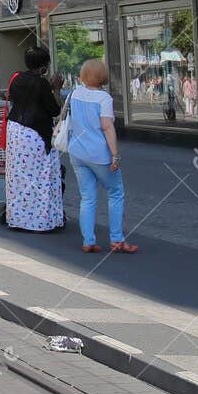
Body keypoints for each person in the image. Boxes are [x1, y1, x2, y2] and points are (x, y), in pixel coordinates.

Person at [65, 57, 136, 253]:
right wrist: (115, 155)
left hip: (77, 152)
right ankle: (116, 239)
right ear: (102, 76)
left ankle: (88, 241)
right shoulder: (104, 99)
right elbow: (107, 127)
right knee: (115, 192)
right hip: (99, 154)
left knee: (87, 197)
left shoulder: (74, 93)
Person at [4, 45, 64, 233]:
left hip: (15, 130)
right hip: (35, 134)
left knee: (19, 176)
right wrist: (56, 89)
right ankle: (40, 221)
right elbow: (55, 111)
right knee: (41, 176)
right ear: (44, 66)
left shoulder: (16, 79)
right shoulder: (41, 83)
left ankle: (18, 218)